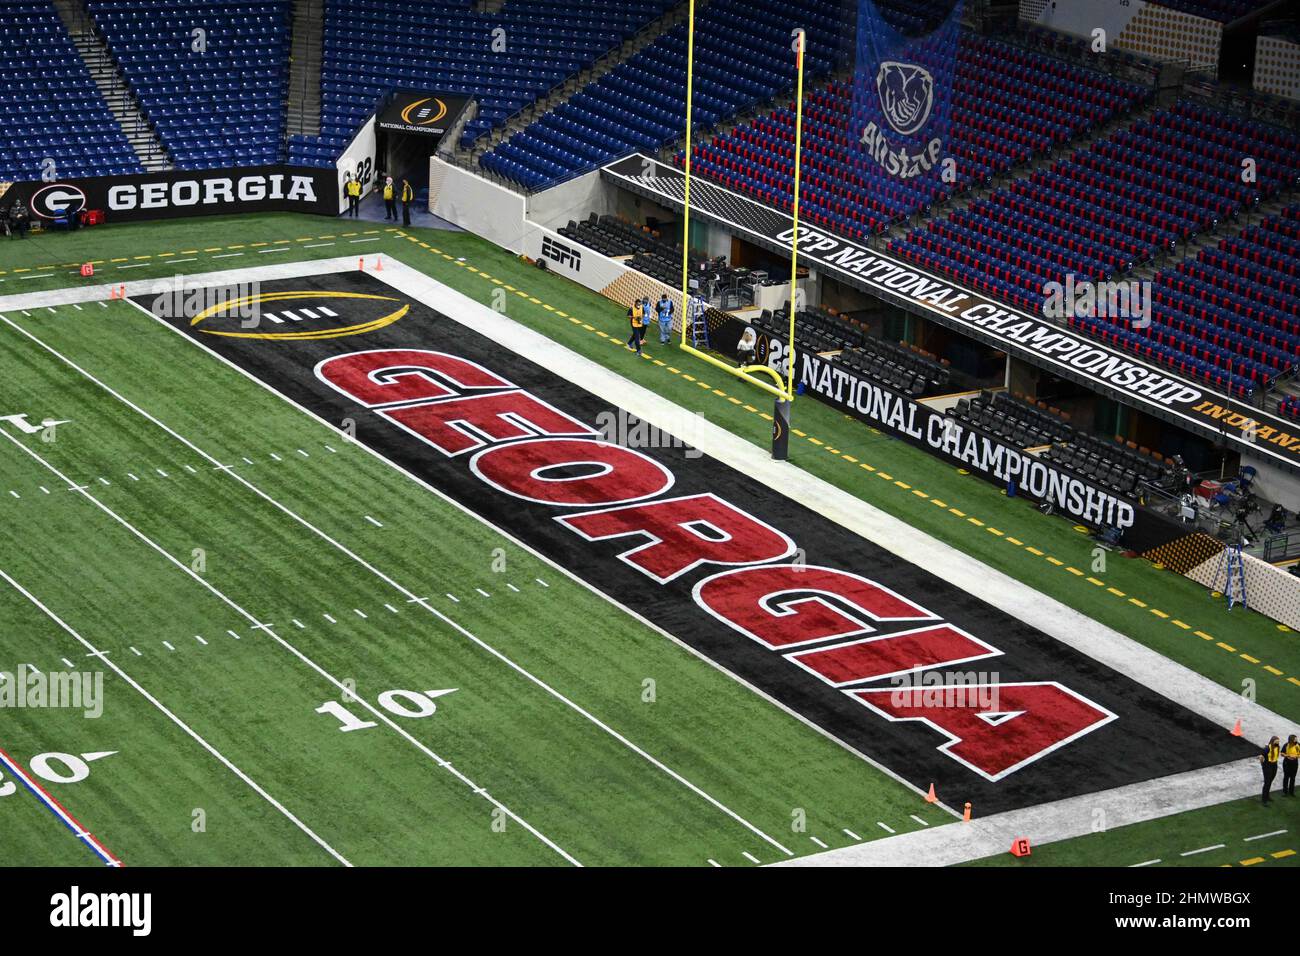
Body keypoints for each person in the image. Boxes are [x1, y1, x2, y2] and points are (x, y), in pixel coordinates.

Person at [1261, 735, 1281, 804]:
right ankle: (1264, 800)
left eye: (1278, 742)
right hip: (1268, 765)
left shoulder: (1277, 747)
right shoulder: (1267, 748)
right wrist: (1262, 764)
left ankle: (1267, 796)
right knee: (1267, 782)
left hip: (1274, 765)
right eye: (1276, 742)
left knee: (1270, 781)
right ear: (1272, 741)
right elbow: (1261, 756)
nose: (1277, 743)